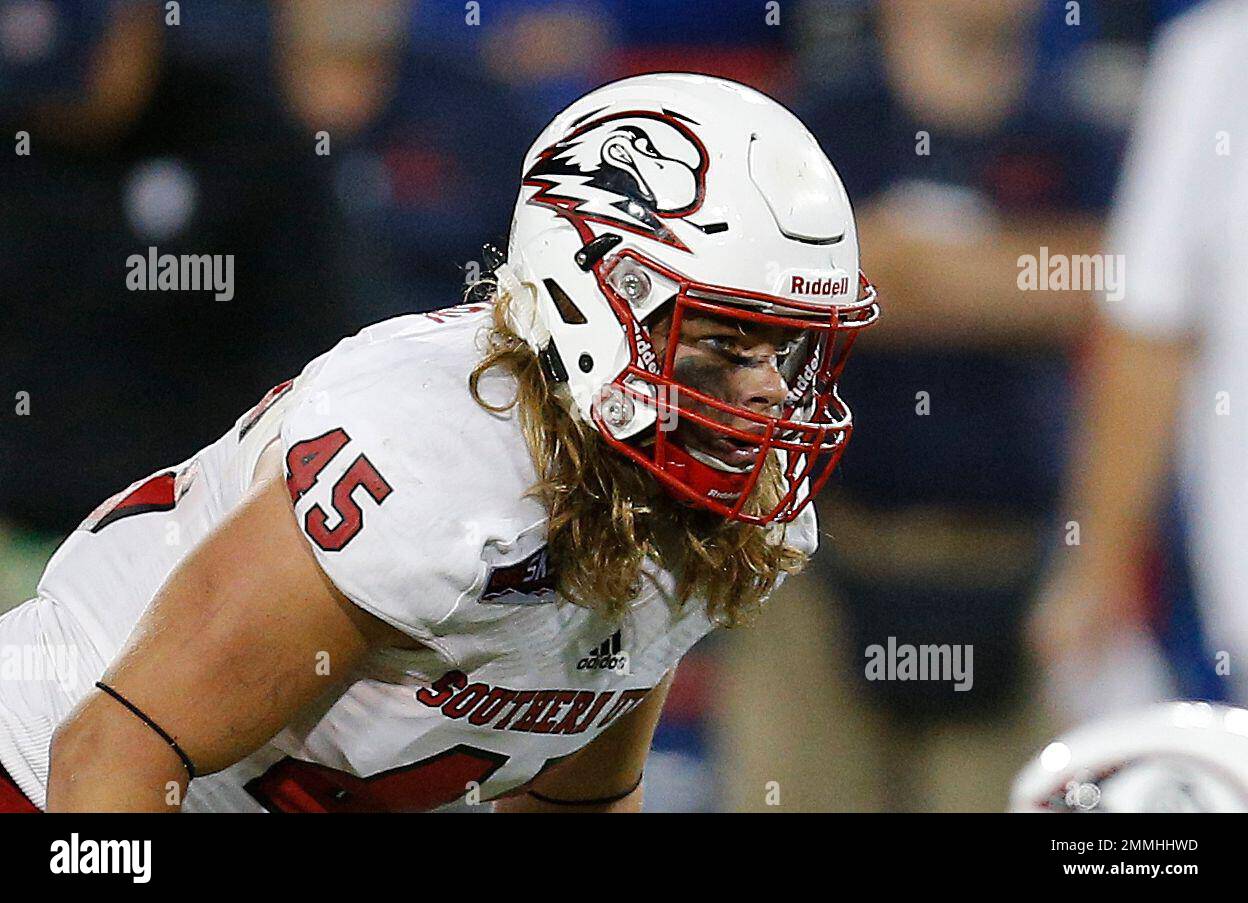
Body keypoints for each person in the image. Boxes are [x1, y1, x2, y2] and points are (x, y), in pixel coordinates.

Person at [0, 73, 877, 813]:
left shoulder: (692, 497)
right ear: (598, 298)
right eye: (724, 341)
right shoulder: (439, 455)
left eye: (788, 346)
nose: (766, 388)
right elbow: (111, 753)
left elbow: (576, 796)